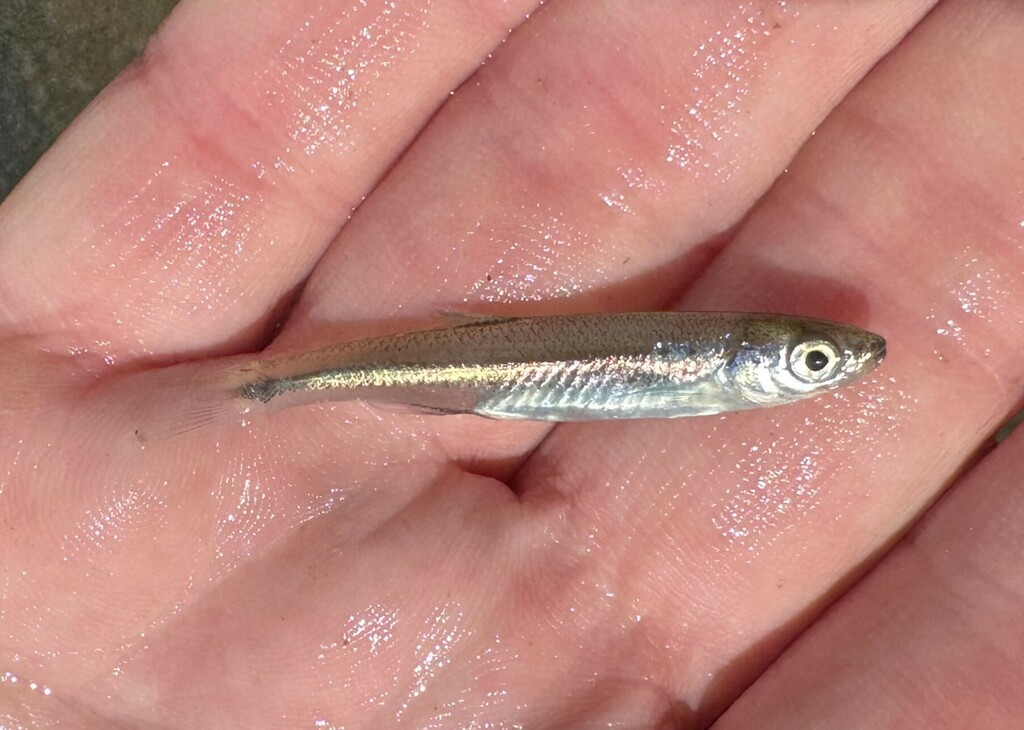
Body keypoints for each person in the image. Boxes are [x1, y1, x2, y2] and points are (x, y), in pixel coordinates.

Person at [0, 0, 1021, 726]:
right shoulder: (709, 368)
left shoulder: (708, 371)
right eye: (807, 360)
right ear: (746, 358)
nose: (819, 368)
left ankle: (284, 385)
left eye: (814, 360)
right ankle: (278, 385)